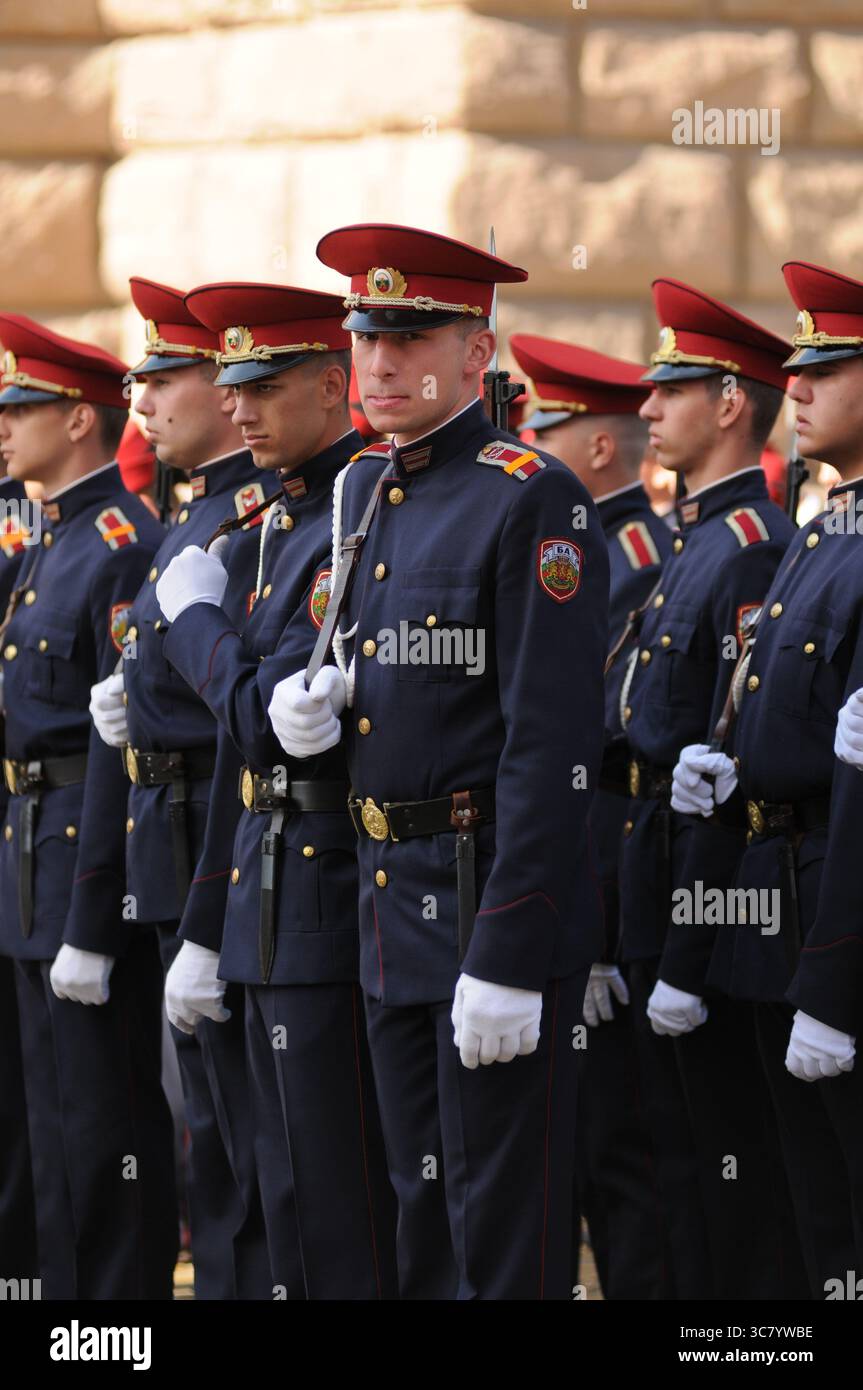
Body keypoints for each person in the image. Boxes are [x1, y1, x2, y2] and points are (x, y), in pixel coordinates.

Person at [267, 223, 610, 1299]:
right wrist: (316, 708)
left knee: (498, 1236)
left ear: (476, 350)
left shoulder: (528, 495)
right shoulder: (367, 491)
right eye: (366, 335)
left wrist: (509, 950)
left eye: (412, 334)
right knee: (420, 1227)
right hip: (384, 914)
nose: (379, 361)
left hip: (478, 905)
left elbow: (548, 745)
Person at [154, 281, 397, 1299]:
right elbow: (242, 759)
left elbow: (266, 722)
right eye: (232, 384)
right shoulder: (276, 522)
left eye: (265, 383)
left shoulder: (357, 513)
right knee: (269, 1185)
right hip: (261, 897)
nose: (237, 405)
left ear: (335, 385)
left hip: (323, 897)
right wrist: (205, 926)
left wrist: (195, 628)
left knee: (327, 1198)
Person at [617, 279, 806, 1299]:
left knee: (727, 1173)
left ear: (730, 401)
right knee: (669, 1159)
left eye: (670, 388)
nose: (645, 408)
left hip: (704, 889)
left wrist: (688, 945)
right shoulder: (693, 541)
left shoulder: (749, 548)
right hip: (650, 869)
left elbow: (726, 766)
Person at [88, 277, 272, 1299]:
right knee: (209, 1137)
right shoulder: (194, 516)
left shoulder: (249, 520)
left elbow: (236, 731)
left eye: (166, 377)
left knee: (251, 1151)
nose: (143, 401)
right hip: (171, 847)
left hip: (227, 856)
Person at [687, 260, 863, 1290]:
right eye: (792, 368)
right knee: (803, 1228)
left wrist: (835, 983)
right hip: (773, 913)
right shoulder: (816, 533)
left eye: (824, 368)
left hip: (834, 923)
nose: (790, 388)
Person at [0, 314, 177, 1299]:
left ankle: (113, 1325)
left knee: (101, 1127)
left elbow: (119, 742)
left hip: (80, 863)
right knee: (43, 1124)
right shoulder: (51, 535)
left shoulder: (115, 542)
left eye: (18, 406)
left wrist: (92, 914)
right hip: (27, 859)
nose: (2, 425)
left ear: (78, 419)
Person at [510, 331, 670, 1299]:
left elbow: (595, 733)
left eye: (544, 427)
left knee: (620, 1147)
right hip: (571, 868)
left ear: (597, 448)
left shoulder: (629, 553)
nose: (526, 444)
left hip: (608, 863)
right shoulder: (562, 535)